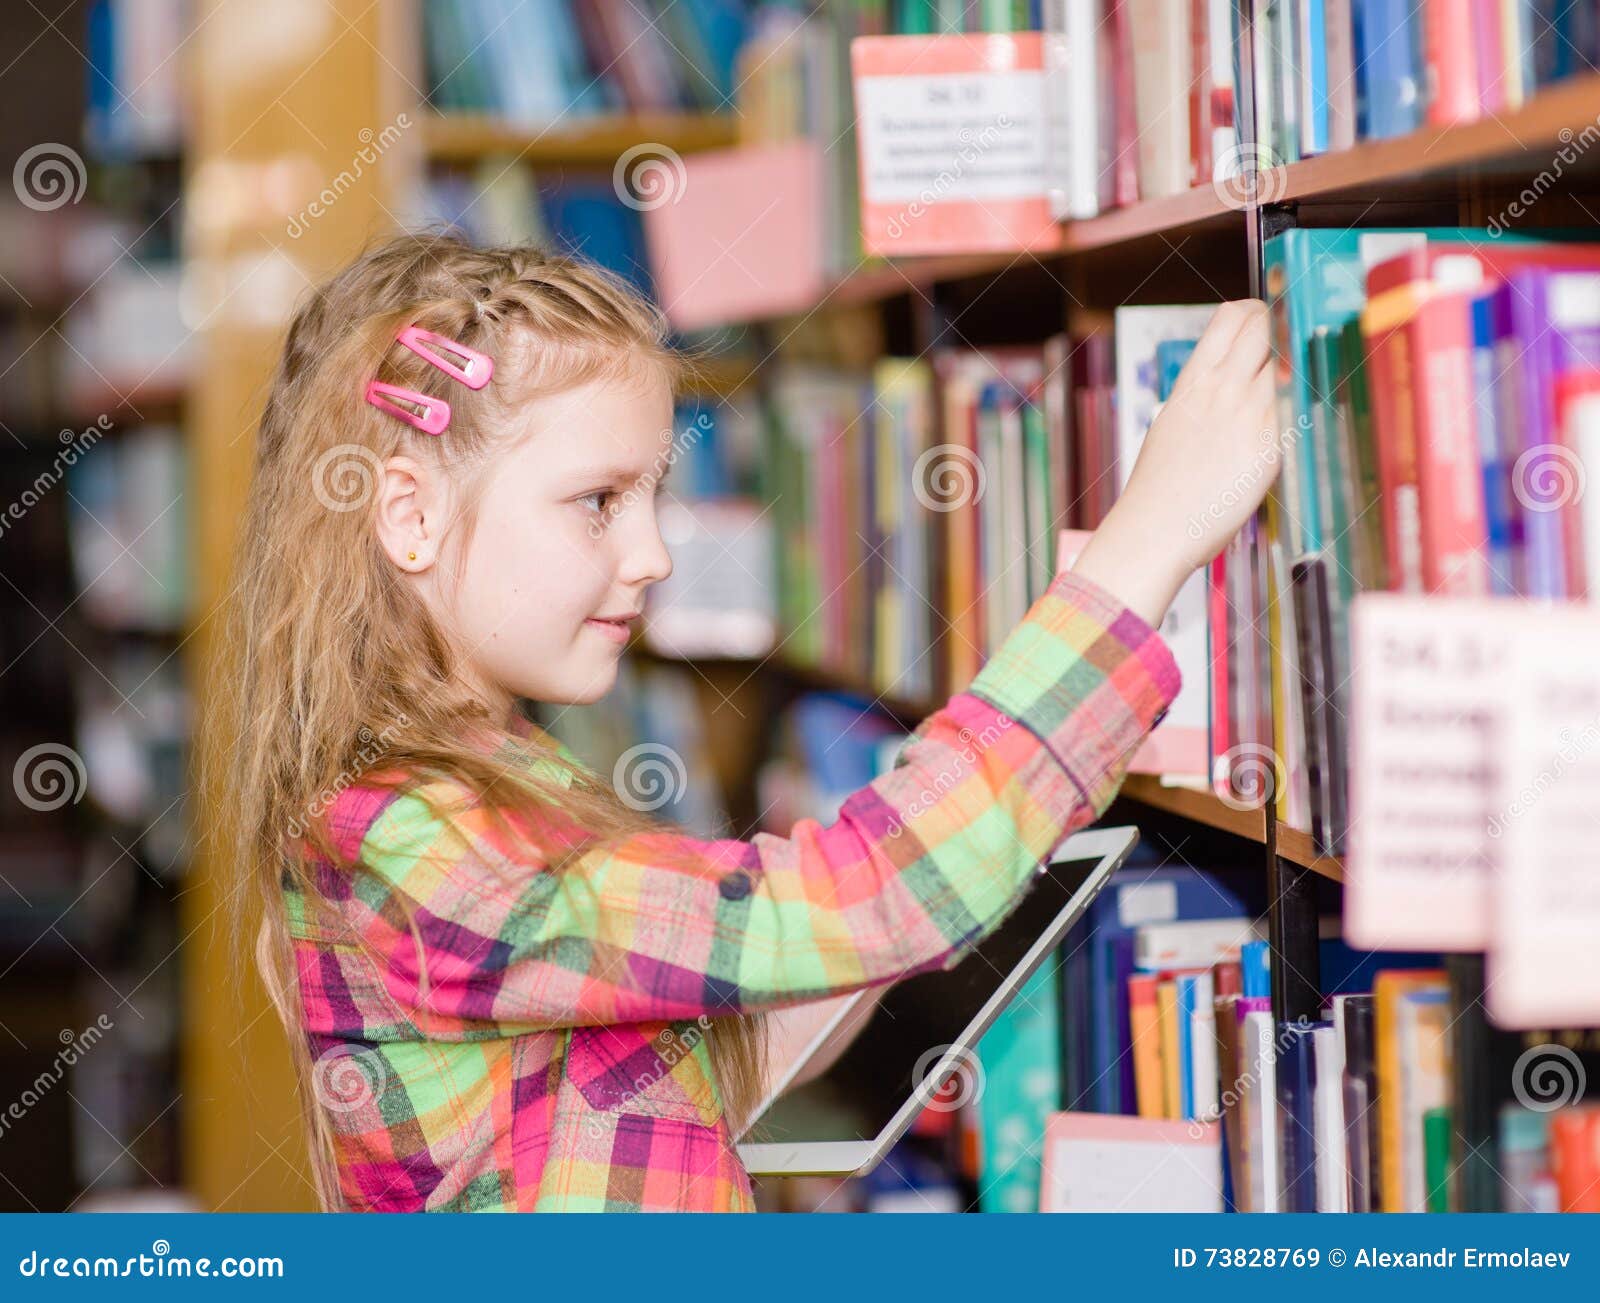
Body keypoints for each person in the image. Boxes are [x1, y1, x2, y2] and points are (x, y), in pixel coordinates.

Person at [204, 231, 1277, 1212]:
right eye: (598, 500)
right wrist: (1151, 540)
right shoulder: (414, 840)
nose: (652, 554)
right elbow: (872, 899)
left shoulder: (480, 780)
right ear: (411, 515)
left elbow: (654, 1083)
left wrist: (884, 888)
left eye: (653, 495)